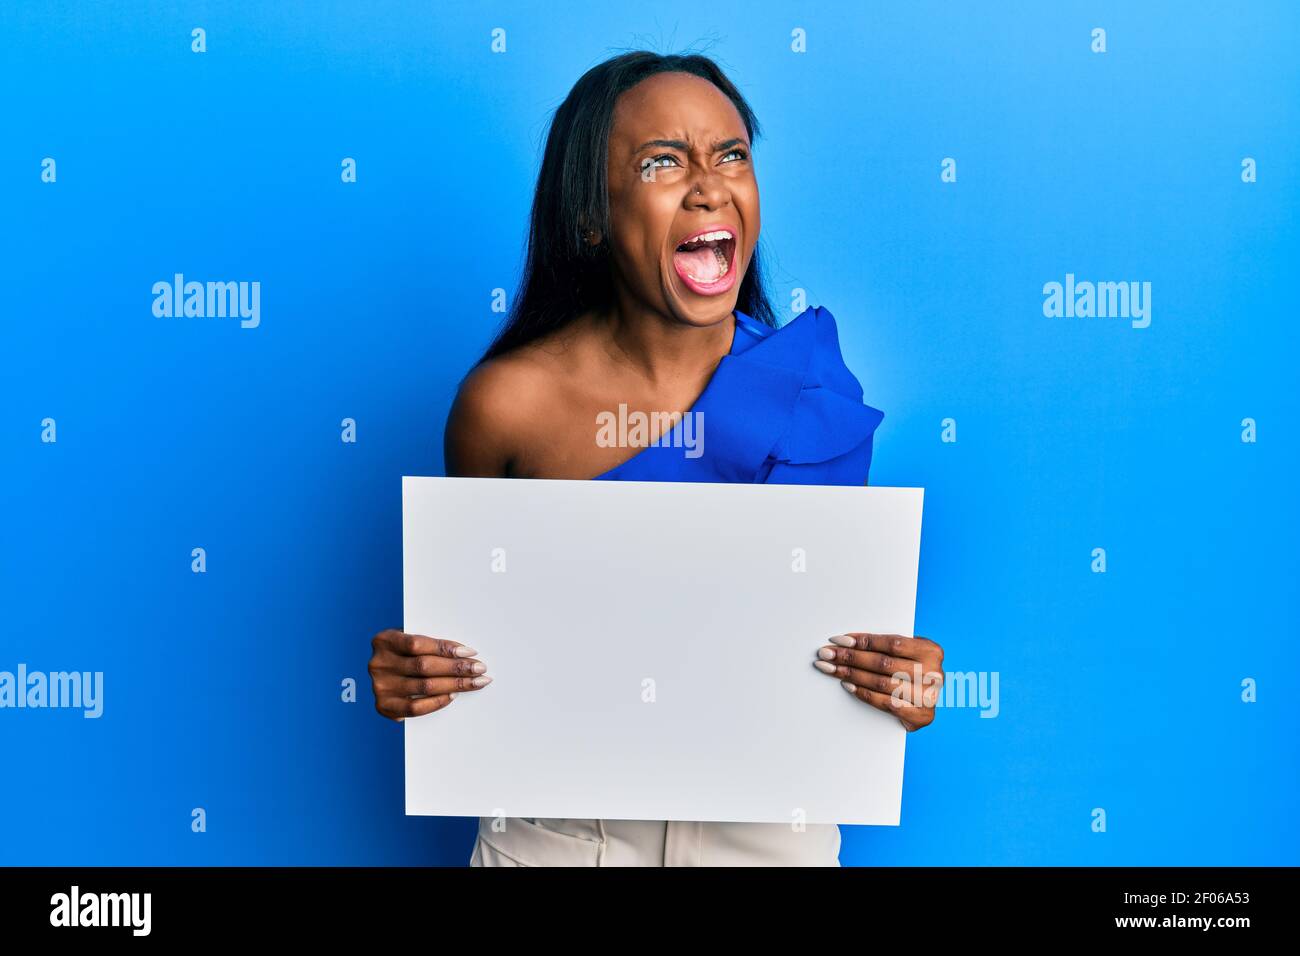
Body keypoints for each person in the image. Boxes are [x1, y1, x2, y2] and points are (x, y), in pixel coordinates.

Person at [367, 50, 945, 866]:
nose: (710, 185)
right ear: (592, 216)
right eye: (661, 162)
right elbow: (470, 647)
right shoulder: (505, 408)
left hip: (769, 838)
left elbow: (829, 652)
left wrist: (903, 688)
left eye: (731, 155)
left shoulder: (815, 394)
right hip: (559, 838)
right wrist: (415, 676)